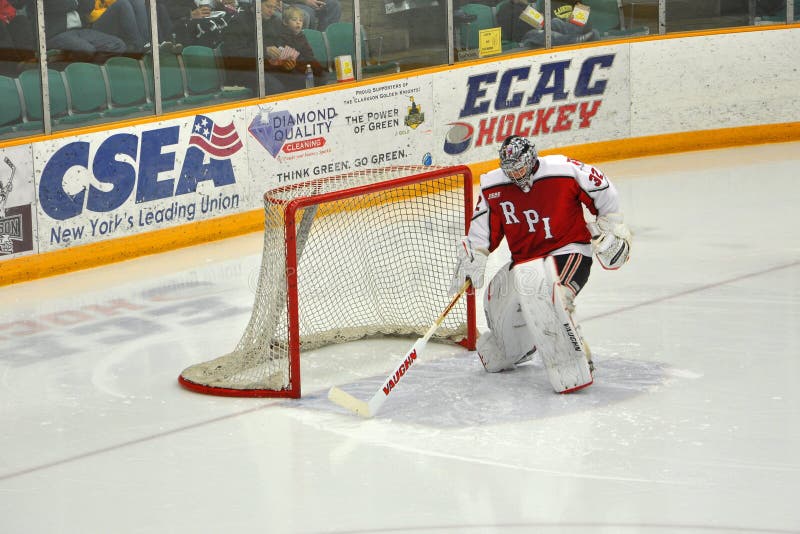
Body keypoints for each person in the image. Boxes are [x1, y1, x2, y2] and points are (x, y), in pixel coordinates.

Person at [449, 135, 632, 393]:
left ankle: (576, 357)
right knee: (496, 305)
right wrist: (475, 255)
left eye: (520, 167)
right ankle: (515, 349)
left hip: (568, 251)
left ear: (531, 158)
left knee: (552, 296)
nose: (515, 174)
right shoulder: (492, 186)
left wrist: (612, 225)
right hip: (524, 263)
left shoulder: (563, 170)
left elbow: (603, 190)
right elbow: (482, 230)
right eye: (509, 169)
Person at [42, 0, 127, 60]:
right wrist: (76, 2)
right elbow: (56, 4)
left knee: (118, 46)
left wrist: (76, 3)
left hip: (80, 29)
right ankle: (72, 69)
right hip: (56, 33)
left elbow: (88, 6)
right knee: (86, 49)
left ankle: (91, 72)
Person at [497, 0, 599, 49]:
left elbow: (541, 22)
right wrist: (538, 21)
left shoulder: (527, 7)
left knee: (555, 22)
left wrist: (541, 20)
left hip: (540, 28)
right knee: (544, 34)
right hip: (526, 38)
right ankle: (575, 39)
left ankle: (578, 33)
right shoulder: (505, 8)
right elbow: (511, 31)